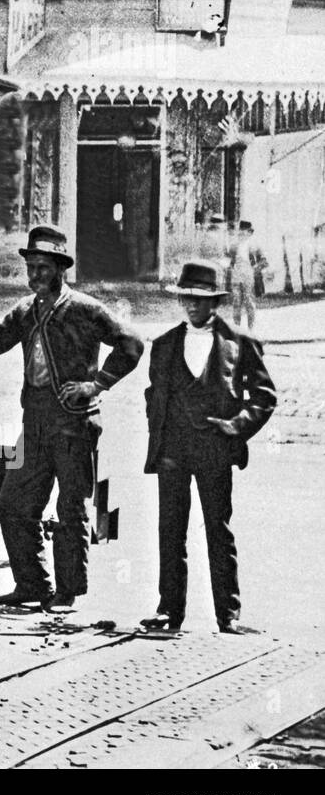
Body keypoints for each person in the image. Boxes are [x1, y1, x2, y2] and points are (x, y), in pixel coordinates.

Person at [0, 224, 143, 612]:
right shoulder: (26, 311)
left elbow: (132, 344)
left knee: (71, 508)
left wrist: (95, 385)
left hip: (74, 423)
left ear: (61, 269)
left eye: (44, 267)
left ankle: (68, 591)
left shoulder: (84, 309)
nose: (35, 275)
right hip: (35, 422)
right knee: (13, 503)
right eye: (31, 266)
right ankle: (32, 583)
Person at [140, 262, 275, 635]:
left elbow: (264, 398)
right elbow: (154, 392)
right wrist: (161, 430)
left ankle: (228, 613)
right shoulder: (165, 344)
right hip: (173, 449)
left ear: (215, 301)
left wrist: (233, 429)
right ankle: (169, 610)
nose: (193, 305)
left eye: (201, 299)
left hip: (214, 450)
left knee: (218, 529)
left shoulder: (239, 342)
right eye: (187, 298)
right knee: (170, 530)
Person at [228, 221, 266, 332]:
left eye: (246, 231)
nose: (243, 233)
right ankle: (237, 330)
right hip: (236, 276)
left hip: (249, 277)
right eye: (241, 230)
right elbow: (229, 262)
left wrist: (255, 269)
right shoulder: (234, 245)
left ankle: (251, 331)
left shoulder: (255, 246)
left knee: (249, 302)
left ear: (250, 232)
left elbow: (264, 261)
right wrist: (229, 269)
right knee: (236, 303)